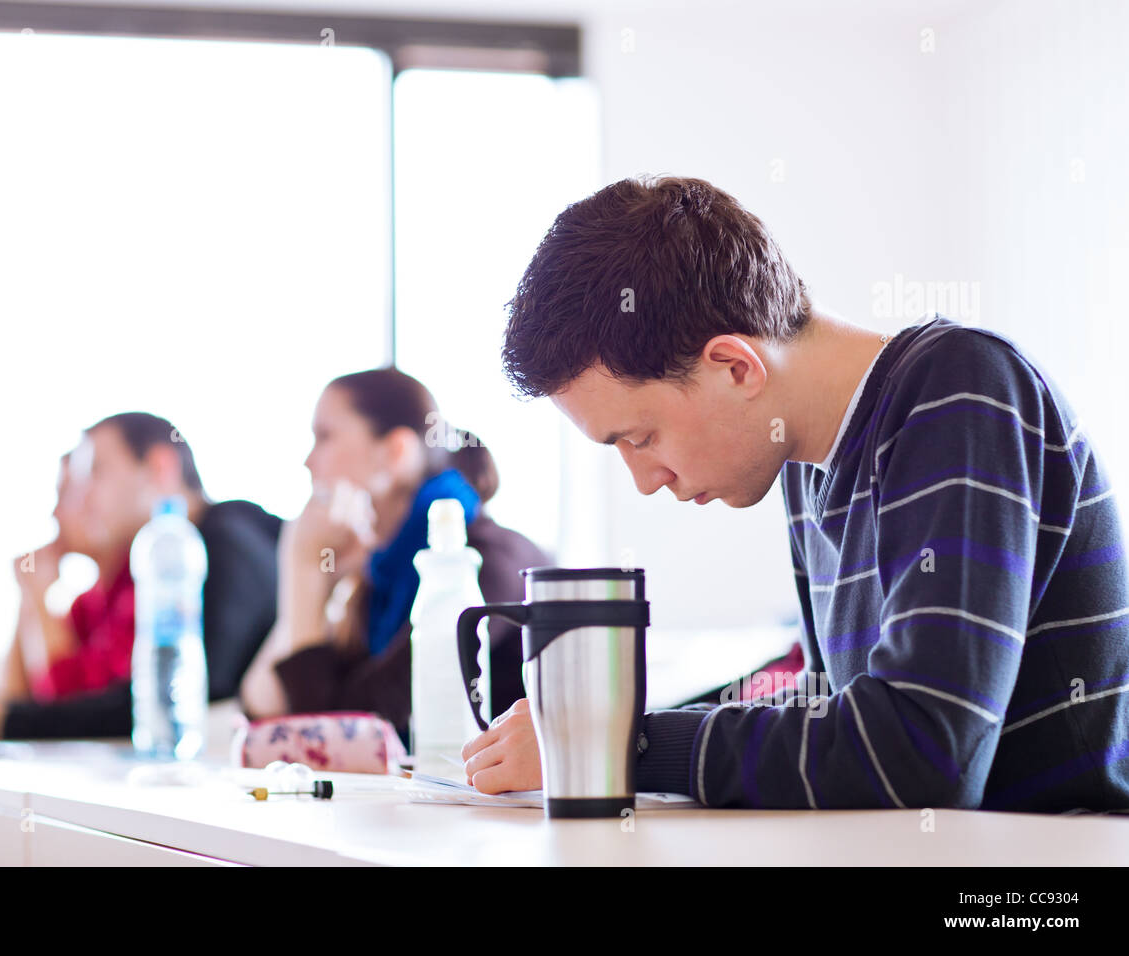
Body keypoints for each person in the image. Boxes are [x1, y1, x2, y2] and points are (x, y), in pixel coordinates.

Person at [462, 175, 1129, 813]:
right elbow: (825, 704)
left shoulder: (960, 389)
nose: (646, 480)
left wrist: (614, 747)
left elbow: (925, 751)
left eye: (640, 437)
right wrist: (621, 728)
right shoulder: (810, 463)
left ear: (735, 366)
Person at [238, 367, 550, 743]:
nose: (308, 461)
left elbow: (343, 739)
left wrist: (304, 569)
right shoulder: (381, 573)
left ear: (395, 451)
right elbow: (261, 704)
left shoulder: (482, 562)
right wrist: (314, 581)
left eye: (324, 436)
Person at [0, 413, 281, 740]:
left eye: (94, 473)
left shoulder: (228, 536)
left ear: (160, 468)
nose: (81, 498)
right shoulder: (139, 568)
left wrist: (9, 723)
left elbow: (187, 694)